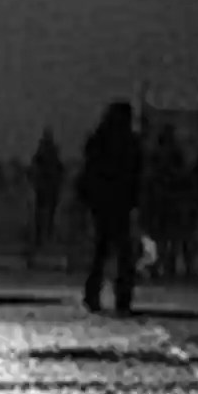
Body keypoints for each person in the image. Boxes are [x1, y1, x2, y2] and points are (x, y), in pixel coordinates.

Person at [75, 101, 143, 315]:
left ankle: (94, 293)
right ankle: (122, 297)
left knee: (103, 250)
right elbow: (136, 172)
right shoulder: (127, 142)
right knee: (121, 252)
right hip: (118, 201)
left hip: (104, 201)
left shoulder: (100, 139)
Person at [144, 126, 190, 279]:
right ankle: (167, 265)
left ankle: (161, 264)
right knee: (169, 236)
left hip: (162, 200)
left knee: (162, 236)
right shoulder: (174, 156)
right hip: (169, 199)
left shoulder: (157, 156)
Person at [30, 129, 65, 245]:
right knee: (43, 212)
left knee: (47, 212)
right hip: (45, 185)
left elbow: (59, 167)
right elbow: (37, 165)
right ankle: (41, 234)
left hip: (49, 185)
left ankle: (44, 234)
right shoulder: (43, 150)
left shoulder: (49, 150)